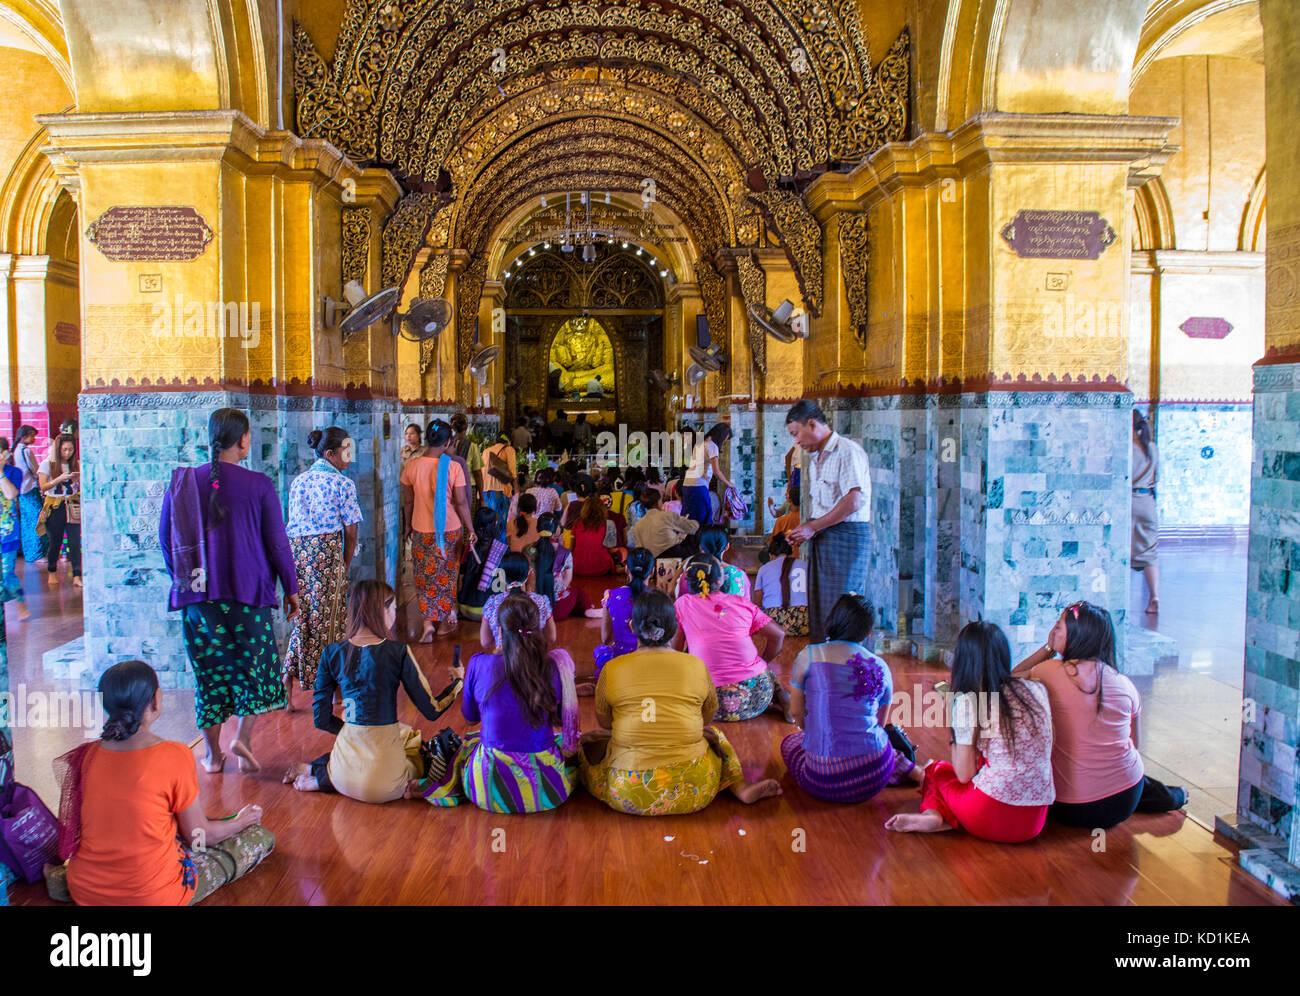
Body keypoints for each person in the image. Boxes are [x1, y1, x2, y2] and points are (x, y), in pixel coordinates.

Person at [45, 660, 274, 906]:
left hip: (86, 889)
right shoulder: (174, 755)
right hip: (152, 897)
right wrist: (242, 821)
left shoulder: (87, 755)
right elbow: (200, 835)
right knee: (259, 837)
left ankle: (60, 881)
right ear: (155, 700)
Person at [160, 408, 299, 773]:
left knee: (209, 676)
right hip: (248, 595)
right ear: (243, 440)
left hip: (199, 598)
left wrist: (186, 579)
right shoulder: (259, 484)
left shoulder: (183, 483)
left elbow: (166, 539)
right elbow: (277, 542)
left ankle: (212, 756)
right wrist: (291, 587)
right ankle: (242, 738)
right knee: (256, 669)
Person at [580, 589, 782, 815]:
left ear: (632, 627)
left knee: (586, 744)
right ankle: (739, 786)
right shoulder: (696, 665)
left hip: (628, 791)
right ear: (675, 628)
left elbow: (606, 723)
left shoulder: (612, 669)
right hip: (696, 786)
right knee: (716, 736)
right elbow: (705, 719)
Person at [283, 581, 464, 803]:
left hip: (340, 777)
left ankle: (318, 773)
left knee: (388, 738)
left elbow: (321, 720)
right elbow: (432, 710)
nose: (395, 615)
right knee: (419, 750)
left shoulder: (332, 653)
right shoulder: (398, 652)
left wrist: (355, 730)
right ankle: (319, 773)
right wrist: (457, 683)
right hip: (388, 787)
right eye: (394, 608)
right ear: (383, 610)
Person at [1013, 601, 1186, 828]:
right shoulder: (1125, 685)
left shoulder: (1049, 671)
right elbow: (1135, 744)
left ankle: (1173, 795)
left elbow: (1013, 677)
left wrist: (1048, 649)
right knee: (1133, 775)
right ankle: (1178, 796)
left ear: (1076, 637)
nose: (1053, 630)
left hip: (1066, 808)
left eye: (1058, 627)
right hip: (1125, 800)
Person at [885, 621, 1054, 842]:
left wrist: (951, 714)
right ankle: (947, 821)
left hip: (991, 814)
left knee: (935, 771)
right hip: (1034, 820)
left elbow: (963, 775)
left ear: (963, 661)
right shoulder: (1036, 689)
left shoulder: (968, 702)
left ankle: (934, 817)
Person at [416, 594, 579, 812]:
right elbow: (559, 720)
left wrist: (465, 681)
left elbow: (470, 718)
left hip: (486, 788)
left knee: (469, 742)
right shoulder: (554, 666)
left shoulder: (478, 663)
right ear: (537, 629)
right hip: (547, 791)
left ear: (500, 631)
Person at [782, 594, 915, 803]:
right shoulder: (880, 666)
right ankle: (910, 770)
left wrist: (812, 732)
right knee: (876, 740)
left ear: (833, 620)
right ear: (869, 631)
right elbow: (879, 725)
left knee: (790, 743)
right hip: (876, 773)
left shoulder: (809, 656)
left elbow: (796, 712)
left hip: (823, 779)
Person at [282, 427, 363, 710]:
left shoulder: (299, 482)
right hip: (327, 554)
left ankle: (287, 682)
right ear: (330, 454)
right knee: (332, 623)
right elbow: (351, 532)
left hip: (298, 555)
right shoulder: (343, 484)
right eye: (346, 451)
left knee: (305, 620)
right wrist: (345, 562)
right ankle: (333, 690)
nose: (350, 457)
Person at [785, 400, 873, 643]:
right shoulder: (816, 458)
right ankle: (826, 661)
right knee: (822, 608)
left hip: (847, 538)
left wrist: (813, 526)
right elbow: (825, 505)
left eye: (796, 434)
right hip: (824, 538)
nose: (796, 441)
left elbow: (854, 501)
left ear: (812, 424)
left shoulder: (847, 452)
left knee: (844, 609)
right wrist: (805, 529)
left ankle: (851, 666)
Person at [672, 557, 790, 722]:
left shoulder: (682, 604)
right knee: (759, 666)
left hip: (708, 704)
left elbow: (675, 652)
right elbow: (779, 635)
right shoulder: (742, 603)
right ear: (719, 581)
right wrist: (762, 661)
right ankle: (780, 695)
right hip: (757, 696)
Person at [402, 420, 474, 642]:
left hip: (421, 529)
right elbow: (461, 503)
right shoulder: (453, 467)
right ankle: (442, 622)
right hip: (449, 530)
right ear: (448, 442)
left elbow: (408, 502)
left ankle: (427, 624)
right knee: (446, 576)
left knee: (424, 576)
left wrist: (406, 527)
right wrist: (470, 528)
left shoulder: (411, 466)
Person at [590, 547, 656, 690]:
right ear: (652, 571)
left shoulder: (611, 596)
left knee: (601, 651)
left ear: (626, 569)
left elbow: (606, 638)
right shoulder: (659, 599)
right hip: (650, 665)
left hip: (620, 665)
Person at [479, 551, 556, 651]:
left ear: (501, 576)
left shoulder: (492, 603)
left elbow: (485, 642)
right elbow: (551, 637)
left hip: (503, 662)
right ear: (529, 573)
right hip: (534, 660)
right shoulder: (541, 602)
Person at [533, 512, 593, 621]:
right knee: (577, 592)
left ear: (537, 529)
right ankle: (588, 610)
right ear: (557, 530)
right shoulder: (565, 553)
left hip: (534, 610)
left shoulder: (529, 550)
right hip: (559, 609)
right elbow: (566, 581)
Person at [38, 432, 81, 587]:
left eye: (70, 450)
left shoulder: (76, 463)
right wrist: (59, 479)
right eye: (64, 450)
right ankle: (52, 571)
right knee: (55, 541)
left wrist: (78, 478)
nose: (67, 453)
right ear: (58, 449)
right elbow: (43, 486)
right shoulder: (47, 464)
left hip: (72, 505)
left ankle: (77, 575)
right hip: (55, 505)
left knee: (75, 542)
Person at [753, 532, 808, 636]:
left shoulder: (764, 568)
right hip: (804, 620)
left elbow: (757, 601)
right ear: (790, 552)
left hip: (775, 624)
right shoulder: (804, 565)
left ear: (771, 555)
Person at [1132, 409, 1159, 614]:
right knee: (1149, 552)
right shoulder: (1152, 448)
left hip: (1130, 501)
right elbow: (1158, 477)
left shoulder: (1127, 449)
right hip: (1148, 500)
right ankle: (1154, 597)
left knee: (1123, 550)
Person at [457, 507, 505, 622]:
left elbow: (461, 573)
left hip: (465, 609)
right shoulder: (500, 549)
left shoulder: (469, 547)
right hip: (489, 611)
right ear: (494, 524)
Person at [681, 423, 734, 528]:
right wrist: (729, 484)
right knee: (703, 519)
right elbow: (717, 471)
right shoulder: (712, 446)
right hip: (698, 486)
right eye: (725, 439)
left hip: (687, 485)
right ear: (721, 435)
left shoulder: (700, 443)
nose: (723, 442)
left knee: (688, 518)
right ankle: (700, 543)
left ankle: (688, 543)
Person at [675, 524, 748, 598]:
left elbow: (680, 598)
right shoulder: (738, 574)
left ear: (700, 547)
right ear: (727, 547)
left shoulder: (690, 572)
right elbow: (746, 603)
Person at [0, 438, 29, 619]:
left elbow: (11, 494)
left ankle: (20, 603)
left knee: (6, 573)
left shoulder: (14, 473)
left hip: (7, 532)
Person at [631, 487, 698, 557]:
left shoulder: (638, 525)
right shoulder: (667, 516)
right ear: (658, 501)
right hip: (674, 557)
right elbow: (693, 527)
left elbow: (639, 550)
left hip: (653, 562)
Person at [13, 425, 45, 564]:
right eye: (32, 436)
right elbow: (35, 470)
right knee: (36, 521)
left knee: (27, 522)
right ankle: (37, 554)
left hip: (21, 491)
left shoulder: (15, 451)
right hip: (30, 490)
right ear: (24, 436)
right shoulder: (26, 451)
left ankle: (30, 553)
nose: (33, 439)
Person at [570, 494, 621, 575]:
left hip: (578, 567)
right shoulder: (609, 524)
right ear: (602, 509)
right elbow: (611, 549)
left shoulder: (577, 523)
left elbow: (571, 548)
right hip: (602, 567)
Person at [481, 433, 517, 541]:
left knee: (489, 524)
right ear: (508, 441)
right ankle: (499, 552)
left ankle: (487, 550)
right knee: (500, 525)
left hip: (486, 492)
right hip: (500, 492)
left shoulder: (486, 451)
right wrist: (517, 492)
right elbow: (512, 473)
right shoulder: (509, 449)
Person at [763, 485, 802, 560]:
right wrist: (771, 506)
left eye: (787, 493)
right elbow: (776, 513)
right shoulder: (809, 522)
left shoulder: (781, 522)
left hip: (785, 562)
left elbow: (773, 548)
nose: (785, 494)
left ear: (789, 499)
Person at [449, 413, 483, 497]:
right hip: (468, 487)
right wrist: (482, 496)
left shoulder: (446, 445)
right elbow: (477, 473)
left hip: (450, 487)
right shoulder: (472, 446)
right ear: (466, 428)